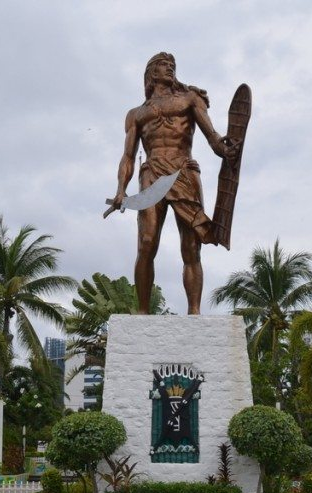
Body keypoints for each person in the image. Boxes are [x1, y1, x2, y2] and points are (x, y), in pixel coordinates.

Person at [110, 53, 239, 314]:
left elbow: (212, 137)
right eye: (163, 65)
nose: (169, 69)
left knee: (191, 246)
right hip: (151, 174)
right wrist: (121, 190)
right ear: (151, 73)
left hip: (184, 171)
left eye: (172, 66)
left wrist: (224, 148)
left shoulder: (189, 99)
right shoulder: (136, 114)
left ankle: (194, 312)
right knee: (146, 243)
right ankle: (144, 311)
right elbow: (127, 156)